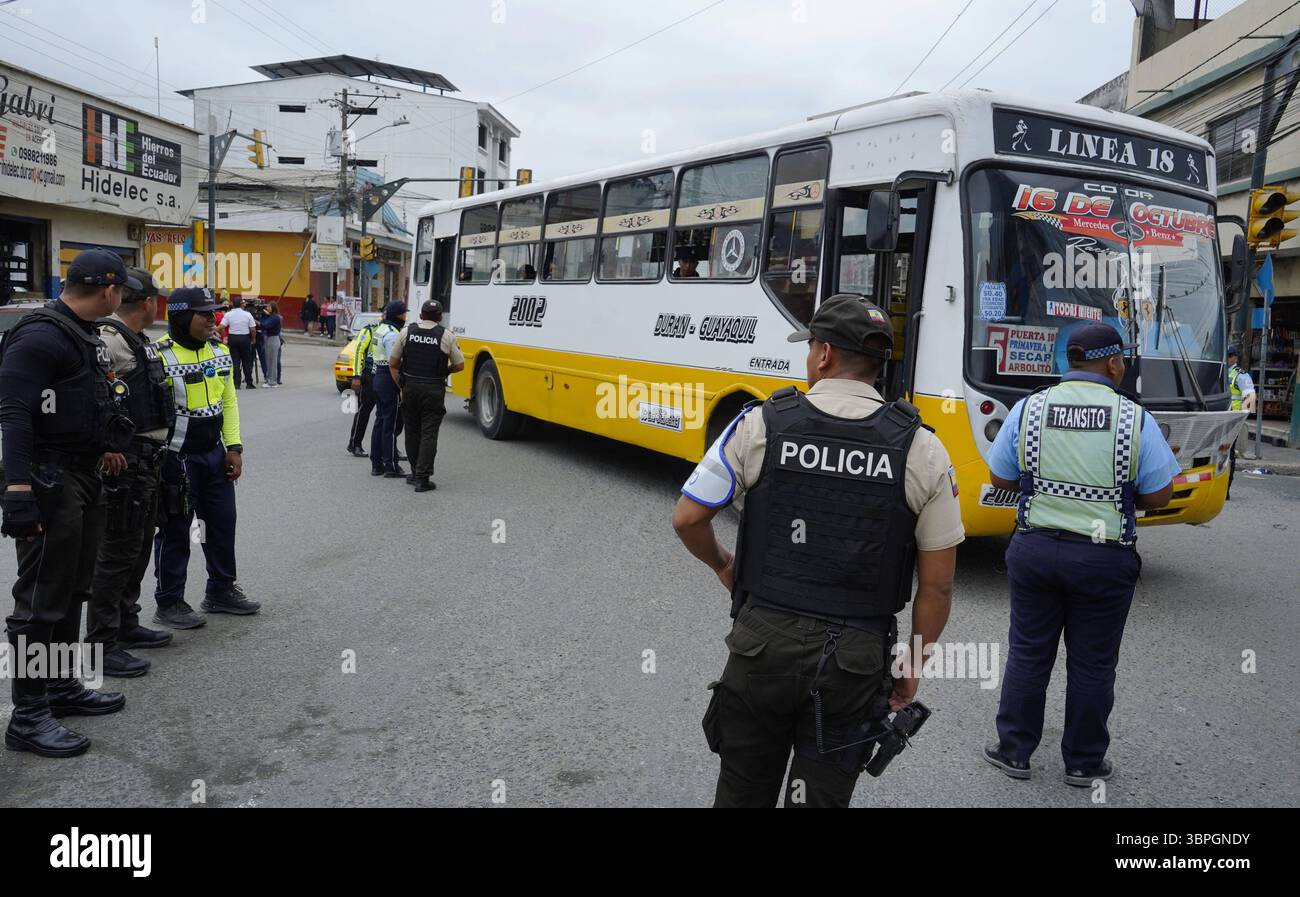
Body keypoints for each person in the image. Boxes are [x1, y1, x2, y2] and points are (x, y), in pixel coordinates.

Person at [672, 294, 962, 807]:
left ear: (824, 354)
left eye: (810, 349)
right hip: (854, 660)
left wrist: (722, 564)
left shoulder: (761, 423)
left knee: (741, 793)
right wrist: (913, 664)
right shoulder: (922, 447)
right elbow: (937, 584)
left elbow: (689, 516)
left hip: (762, 643)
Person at [983, 322, 1180, 787]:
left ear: (1068, 362)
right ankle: (1083, 762)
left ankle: (1014, 751)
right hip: (1102, 557)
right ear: (1113, 363)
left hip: (1034, 549)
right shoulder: (1133, 417)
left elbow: (999, 478)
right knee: (1092, 663)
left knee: (1029, 653)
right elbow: (1160, 494)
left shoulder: (1030, 408)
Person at [0, 249, 138, 757]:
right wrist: (17, 491)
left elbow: (76, 403)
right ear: (108, 290)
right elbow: (14, 416)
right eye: (120, 289)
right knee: (39, 603)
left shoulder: (82, 334)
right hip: (45, 479)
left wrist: (102, 445)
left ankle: (59, 688)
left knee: (72, 589)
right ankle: (28, 717)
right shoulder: (40, 335)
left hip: (81, 475)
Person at [152, 287, 260, 630]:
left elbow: (228, 402)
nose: (213, 320)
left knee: (222, 523)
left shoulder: (221, 351)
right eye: (204, 314)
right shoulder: (157, 356)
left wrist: (234, 447)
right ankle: (169, 601)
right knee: (176, 531)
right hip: (175, 459)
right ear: (182, 317)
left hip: (214, 456)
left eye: (214, 313)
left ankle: (221, 590)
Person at [88, 268, 177, 679]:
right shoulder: (109, 340)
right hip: (126, 461)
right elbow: (95, 398)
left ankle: (126, 622)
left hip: (148, 458)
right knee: (117, 549)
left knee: (140, 544)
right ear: (147, 302)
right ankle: (102, 645)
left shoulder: (135, 340)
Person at [388, 300, 465, 492]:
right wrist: (444, 371)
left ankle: (415, 473)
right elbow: (460, 365)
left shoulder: (406, 332)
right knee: (429, 433)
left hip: (410, 388)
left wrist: (401, 385)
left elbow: (394, 362)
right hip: (433, 389)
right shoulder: (446, 335)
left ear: (421, 315)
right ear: (440, 317)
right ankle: (423, 479)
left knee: (412, 431)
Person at [369, 302, 407, 478]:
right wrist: (400, 386)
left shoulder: (380, 328)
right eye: (404, 314)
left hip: (378, 375)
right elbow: (394, 364)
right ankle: (391, 465)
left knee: (380, 421)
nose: (405, 317)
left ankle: (376, 463)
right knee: (390, 425)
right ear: (399, 316)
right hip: (388, 377)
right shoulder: (392, 334)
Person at [347, 317, 381, 457]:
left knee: (388, 414)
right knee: (364, 411)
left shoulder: (396, 331)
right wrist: (356, 376)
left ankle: (389, 447)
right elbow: (358, 351)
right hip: (369, 376)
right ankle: (355, 443)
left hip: (385, 377)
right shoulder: (370, 329)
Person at [1226, 345, 1257, 499]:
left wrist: (1241, 417)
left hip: (1232, 420)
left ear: (1235, 358)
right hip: (1219, 419)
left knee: (1228, 454)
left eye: (1229, 355)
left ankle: (1226, 490)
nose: (1227, 358)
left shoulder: (1241, 375)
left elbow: (1250, 397)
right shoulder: (1220, 371)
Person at [222, 297, 257, 389]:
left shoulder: (228, 314)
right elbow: (253, 329)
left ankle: (236, 384)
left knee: (235, 361)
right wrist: (253, 339)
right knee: (247, 361)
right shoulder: (247, 314)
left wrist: (225, 336)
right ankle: (249, 383)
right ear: (241, 305)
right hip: (245, 338)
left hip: (233, 338)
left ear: (233, 304)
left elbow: (222, 326)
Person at [261, 302, 283, 387]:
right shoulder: (271, 317)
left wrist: (257, 321)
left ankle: (272, 381)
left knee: (272, 361)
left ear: (273, 308)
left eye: (269, 307)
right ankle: (270, 379)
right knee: (269, 361)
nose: (267, 308)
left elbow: (265, 325)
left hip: (273, 339)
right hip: (270, 339)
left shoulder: (275, 317)